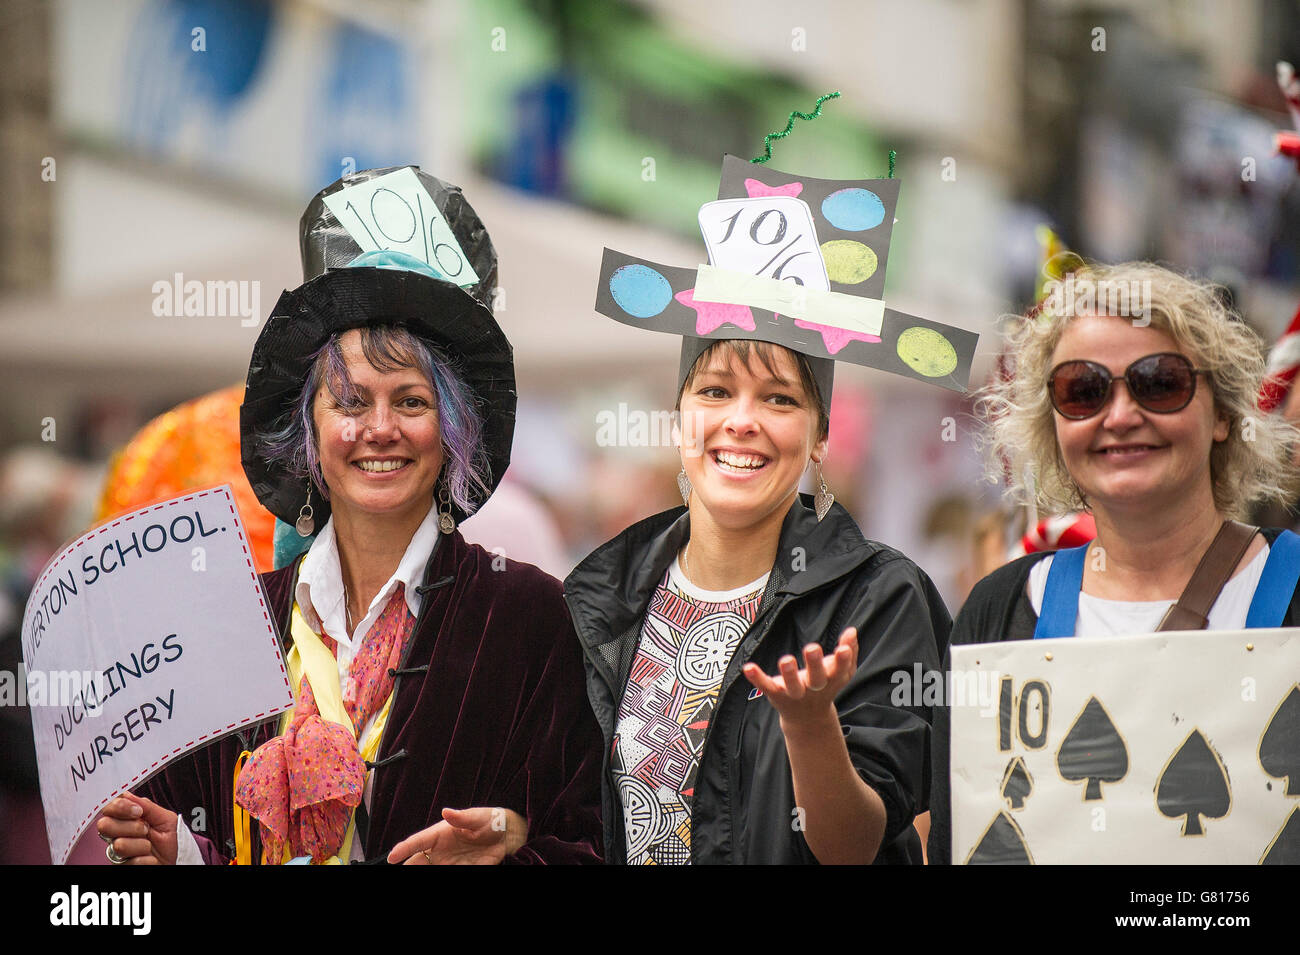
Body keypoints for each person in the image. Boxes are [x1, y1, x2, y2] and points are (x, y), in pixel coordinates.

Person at [96, 167, 602, 865]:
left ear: (453, 431)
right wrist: (178, 850)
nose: (381, 428)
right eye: (352, 401)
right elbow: (201, 832)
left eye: (413, 402)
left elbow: (595, 842)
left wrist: (506, 856)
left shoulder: (532, 618)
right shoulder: (232, 627)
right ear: (310, 429)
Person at [928, 262, 1300, 864]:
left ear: (1225, 413)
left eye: (1159, 382)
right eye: (1083, 390)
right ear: (1053, 424)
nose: (1121, 415)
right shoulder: (997, 613)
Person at [567, 334, 950, 864]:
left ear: (820, 437)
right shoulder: (605, 595)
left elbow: (853, 847)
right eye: (716, 392)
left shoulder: (878, 596)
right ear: (680, 420)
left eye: (780, 399)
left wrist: (810, 724)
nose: (743, 421)